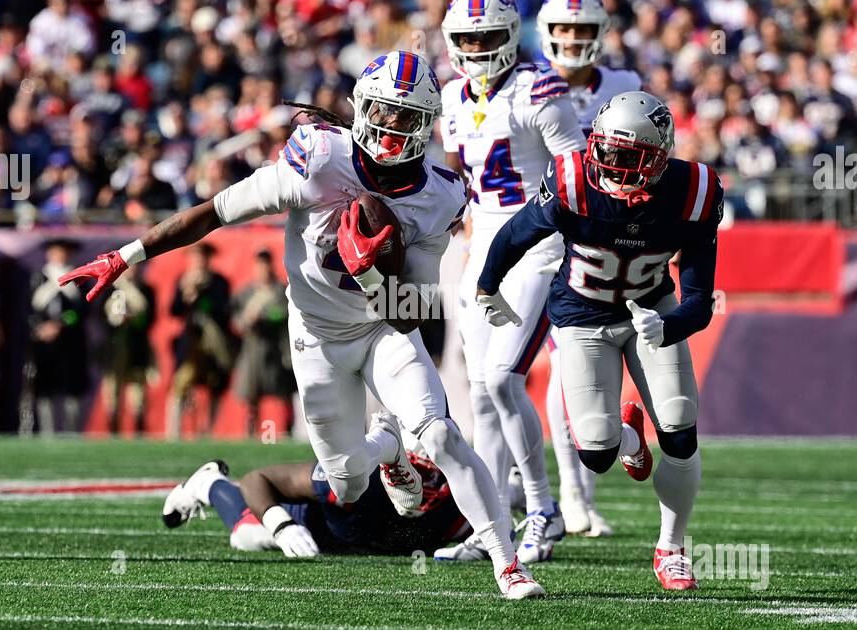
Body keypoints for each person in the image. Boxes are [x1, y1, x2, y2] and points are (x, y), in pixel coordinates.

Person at [60, 50, 542, 599]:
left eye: (406, 117)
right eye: (383, 111)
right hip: (316, 336)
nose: (390, 127)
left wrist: (372, 274)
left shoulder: (440, 194)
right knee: (347, 483)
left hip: (384, 331)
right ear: (361, 108)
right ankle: (386, 449)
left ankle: (508, 565)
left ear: (426, 123)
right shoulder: (316, 157)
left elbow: (413, 309)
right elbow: (215, 211)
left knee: (441, 435)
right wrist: (125, 256)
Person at [475, 91, 723, 592]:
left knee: (679, 424)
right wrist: (487, 284)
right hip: (581, 315)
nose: (611, 167)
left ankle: (671, 549)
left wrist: (668, 327)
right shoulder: (572, 181)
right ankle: (628, 438)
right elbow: (516, 233)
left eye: (627, 159)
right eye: (606, 153)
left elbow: (699, 298)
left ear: (658, 156)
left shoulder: (693, 190)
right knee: (596, 451)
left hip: (652, 309)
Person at [440, 0, 586, 564]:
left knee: (503, 379)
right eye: (467, 39)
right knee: (479, 393)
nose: (476, 48)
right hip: (482, 251)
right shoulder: (450, 97)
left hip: (539, 247)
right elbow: (462, 180)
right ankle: (491, 521)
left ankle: (543, 510)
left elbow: (575, 171)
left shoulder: (538, 87)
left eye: (487, 36)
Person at [533, 0, 646, 539]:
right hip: (541, 237)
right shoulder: (529, 83)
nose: (573, 39)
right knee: (542, 372)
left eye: (582, 28)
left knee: (583, 368)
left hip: (603, 241)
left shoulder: (624, 84)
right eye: (564, 28)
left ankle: (575, 489)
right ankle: (562, 495)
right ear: (545, 33)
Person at [159, 446, 516, 558]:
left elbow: (497, 522)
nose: (419, 487)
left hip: (343, 539)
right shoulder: (359, 481)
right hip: (305, 521)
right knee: (246, 535)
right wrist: (280, 525)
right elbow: (258, 480)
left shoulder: (451, 511)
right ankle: (209, 483)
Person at [166, 242, 234, 438]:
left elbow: (223, 311)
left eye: (202, 256)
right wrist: (187, 294)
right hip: (191, 344)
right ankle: (174, 432)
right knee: (181, 383)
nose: (199, 261)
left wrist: (202, 297)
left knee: (215, 384)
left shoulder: (219, 282)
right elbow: (174, 310)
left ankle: (208, 431)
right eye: (195, 256)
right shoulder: (183, 280)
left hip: (213, 343)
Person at [27, 237, 89, 435]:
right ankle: (48, 432)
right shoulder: (39, 278)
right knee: (45, 388)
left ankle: (72, 431)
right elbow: (29, 310)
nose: (59, 255)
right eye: (55, 251)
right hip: (44, 343)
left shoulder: (79, 277)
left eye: (63, 251)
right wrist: (41, 327)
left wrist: (61, 324)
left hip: (71, 342)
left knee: (72, 388)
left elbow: (83, 310)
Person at [233, 248, 295, 437]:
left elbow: (283, 314)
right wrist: (246, 320)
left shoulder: (279, 290)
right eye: (259, 265)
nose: (263, 269)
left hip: (275, 349)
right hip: (252, 349)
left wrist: (265, 316)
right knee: (251, 396)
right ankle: (250, 434)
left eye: (266, 264)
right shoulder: (246, 293)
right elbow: (236, 319)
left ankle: (286, 432)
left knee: (282, 393)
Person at [101, 262, 155, 436]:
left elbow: (151, 317)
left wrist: (134, 320)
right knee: (112, 391)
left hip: (136, 347)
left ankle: (138, 429)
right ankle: (113, 429)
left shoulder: (146, 289)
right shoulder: (109, 289)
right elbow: (99, 317)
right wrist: (115, 320)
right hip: (114, 347)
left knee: (137, 392)